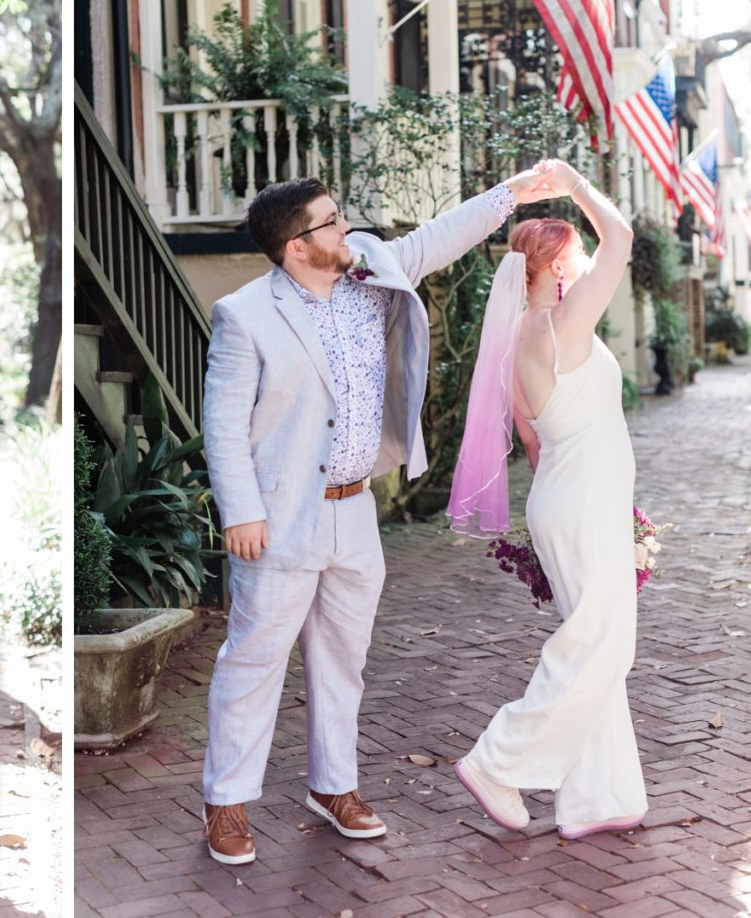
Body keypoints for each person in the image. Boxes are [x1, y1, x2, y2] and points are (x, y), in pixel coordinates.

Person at [199, 165, 568, 866]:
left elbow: (436, 239)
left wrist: (511, 195)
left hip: (356, 509)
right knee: (253, 662)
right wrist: (240, 511)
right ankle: (227, 801)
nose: (348, 227)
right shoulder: (245, 315)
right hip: (279, 517)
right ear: (297, 247)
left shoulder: (369, 270)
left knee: (344, 661)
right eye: (332, 221)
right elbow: (222, 424)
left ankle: (333, 786)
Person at [447, 160, 646, 840]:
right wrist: (577, 186)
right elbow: (621, 237)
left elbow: (534, 443)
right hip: (582, 498)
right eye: (575, 256)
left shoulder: (519, 342)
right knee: (600, 644)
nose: (585, 263)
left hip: (566, 494)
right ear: (558, 266)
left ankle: (600, 796)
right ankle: (497, 760)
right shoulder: (565, 324)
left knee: (595, 642)